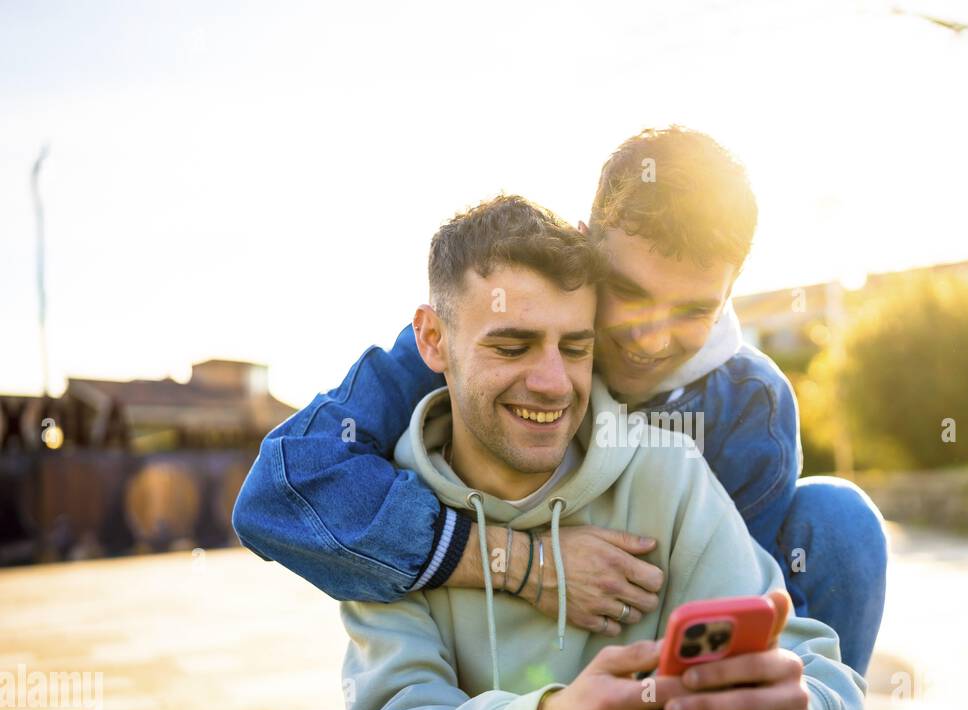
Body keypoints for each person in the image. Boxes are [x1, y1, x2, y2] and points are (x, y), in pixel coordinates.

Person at [333, 194, 934, 710]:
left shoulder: (667, 467)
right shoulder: (389, 510)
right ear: (434, 339)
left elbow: (820, 671)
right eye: (513, 344)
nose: (552, 383)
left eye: (577, 347)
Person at [231, 127, 888, 675]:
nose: (651, 337)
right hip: (489, 682)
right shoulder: (482, 341)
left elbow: (734, 608)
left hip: (658, 696)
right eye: (628, 291)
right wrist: (520, 562)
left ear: (730, 293)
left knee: (839, 521)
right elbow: (282, 492)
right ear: (585, 242)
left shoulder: (750, 406)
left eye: (692, 310)